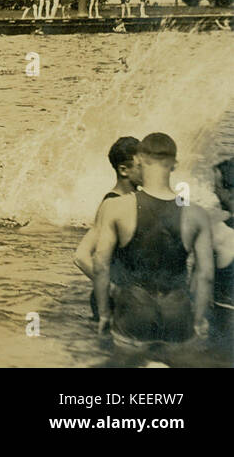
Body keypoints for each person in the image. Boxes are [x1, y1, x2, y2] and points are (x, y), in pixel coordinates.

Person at [92, 132, 213, 347]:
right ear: (174, 165)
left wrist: (103, 314)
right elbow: (205, 276)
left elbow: (100, 265)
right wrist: (199, 319)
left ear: (139, 160)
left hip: (134, 315)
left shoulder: (116, 207)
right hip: (177, 316)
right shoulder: (197, 214)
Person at [73, 137, 142, 321]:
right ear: (123, 170)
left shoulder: (134, 200)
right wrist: (113, 290)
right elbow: (81, 257)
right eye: (141, 165)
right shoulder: (111, 203)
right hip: (113, 301)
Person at [209, 158, 234, 355]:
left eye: (217, 186)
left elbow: (198, 283)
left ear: (230, 191)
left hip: (225, 330)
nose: (214, 191)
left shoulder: (219, 233)